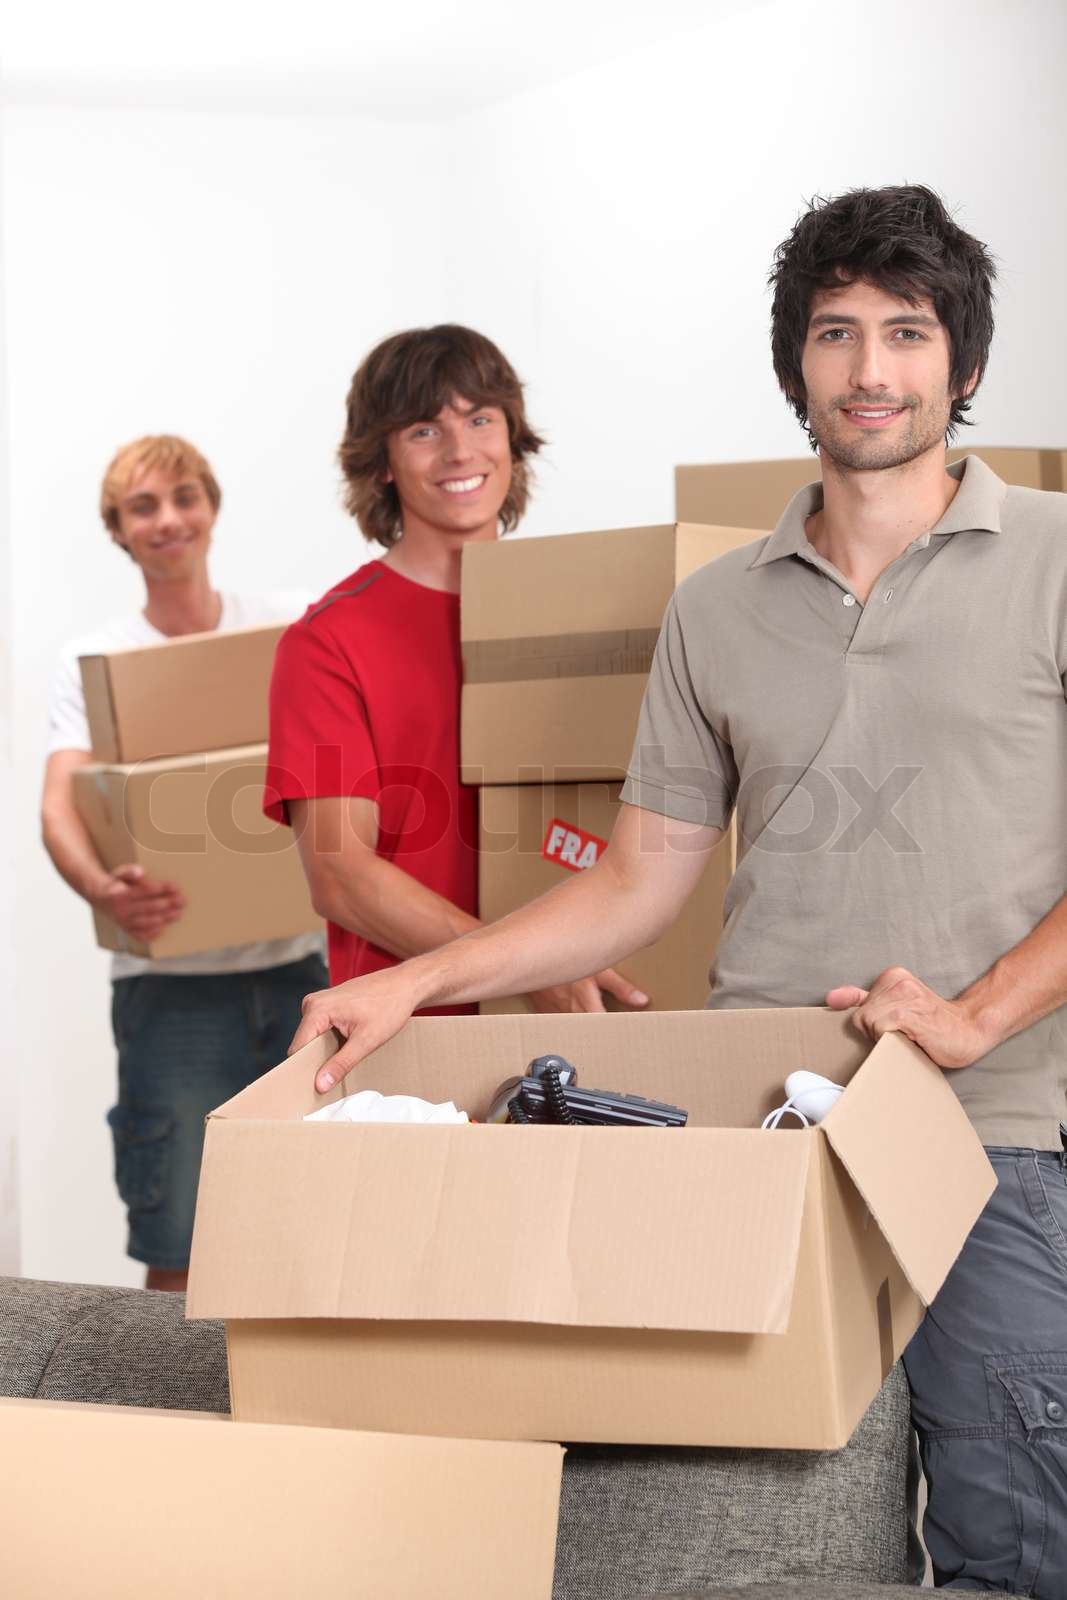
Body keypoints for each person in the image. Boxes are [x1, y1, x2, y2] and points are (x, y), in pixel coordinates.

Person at [289, 192, 1067, 1596]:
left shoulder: (1056, 558)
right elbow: (638, 877)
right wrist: (415, 980)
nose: (868, 369)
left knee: (1017, 1545)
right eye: (834, 333)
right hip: (762, 1131)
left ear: (960, 364)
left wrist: (974, 1016)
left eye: (905, 333)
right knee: (748, 1552)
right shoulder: (718, 607)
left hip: (992, 1135)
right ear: (792, 367)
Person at [264, 323, 648, 1017]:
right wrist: (529, 969)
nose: (460, 450)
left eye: (479, 419)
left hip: (596, 1000)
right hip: (414, 1032)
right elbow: (340, 875)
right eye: (423, 430)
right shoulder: (327, 641)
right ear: (382, 462)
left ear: (511, 437)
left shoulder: (582, 609)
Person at [42, 435, 327, 1291]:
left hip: (298, 974)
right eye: (144, 507)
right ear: (117, 530)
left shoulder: (284, 627)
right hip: (171, 992)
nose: (168, 520)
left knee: (307, 1227)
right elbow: (58, 805)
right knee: (179, 1243)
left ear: (211, 508)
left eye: (184, 498)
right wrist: (103, 891)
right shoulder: (96, 660)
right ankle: (172, 1387)